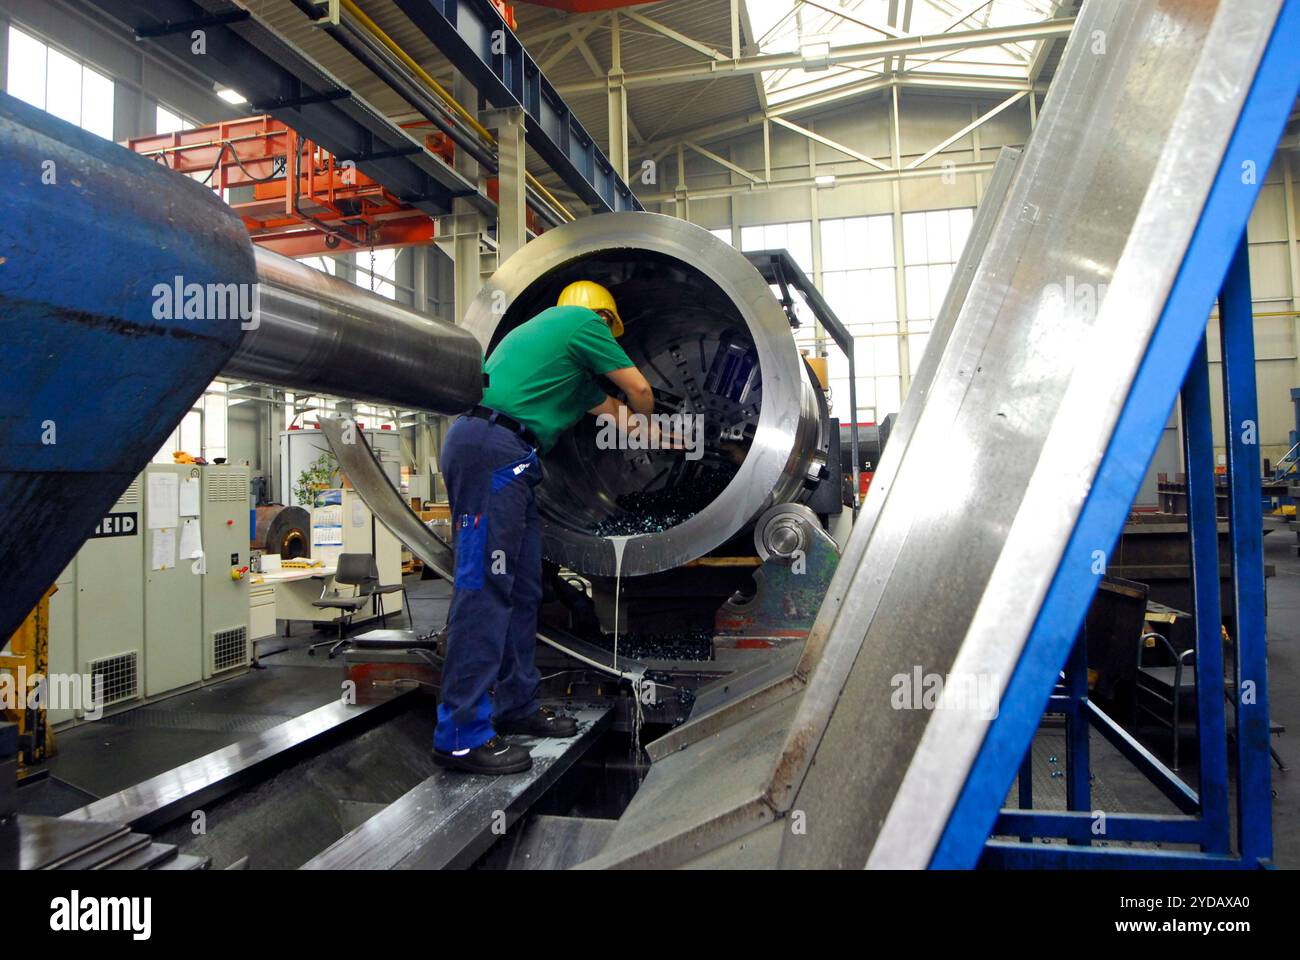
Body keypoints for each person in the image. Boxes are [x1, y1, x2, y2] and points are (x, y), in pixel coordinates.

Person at [433, 280, 659, 774]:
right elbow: (638, 392)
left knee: (523, 589)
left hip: (512, 456)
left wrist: (679, 435)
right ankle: (460, 734)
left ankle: (515, 705)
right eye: (610, 333)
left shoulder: (569, 374)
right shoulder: (578, 321)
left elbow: (616, 415)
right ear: (602, 321)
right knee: (485, 587)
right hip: (491, 447)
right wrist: (650, 412)